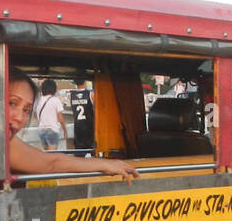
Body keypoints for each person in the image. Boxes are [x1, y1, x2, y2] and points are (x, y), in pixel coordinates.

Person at [8, 70, 138, 182]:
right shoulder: (88, 95)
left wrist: (105, 164)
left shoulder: (72, 95)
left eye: (26, 110)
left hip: (62, 129)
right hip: (80, 130)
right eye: (12, 103)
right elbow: (51, 163)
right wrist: (105, 164)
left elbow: (52, 162)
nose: (19, 117)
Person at [32, 78, 68, 150]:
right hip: (52, 130)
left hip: (41, 130)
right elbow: (60, 118)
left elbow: (35, 115)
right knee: (52, 155)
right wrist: (65, 130)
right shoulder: (55, 100)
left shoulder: (38, 100)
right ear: (53, 89)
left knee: (46, 155)